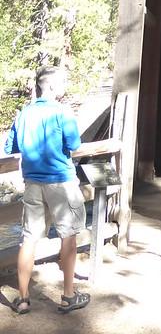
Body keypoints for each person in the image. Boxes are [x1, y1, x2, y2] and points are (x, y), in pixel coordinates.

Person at [4, 66, 90, 314]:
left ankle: (22, 299)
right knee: (68, 236)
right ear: (51, 85)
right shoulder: (63, 112)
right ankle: (68, 296)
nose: (65, 85)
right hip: (61, 182)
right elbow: (74, 144)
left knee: (28, 239)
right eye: (63, 81)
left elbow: (11, 146)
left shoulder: (24, 114)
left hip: (32, 183)